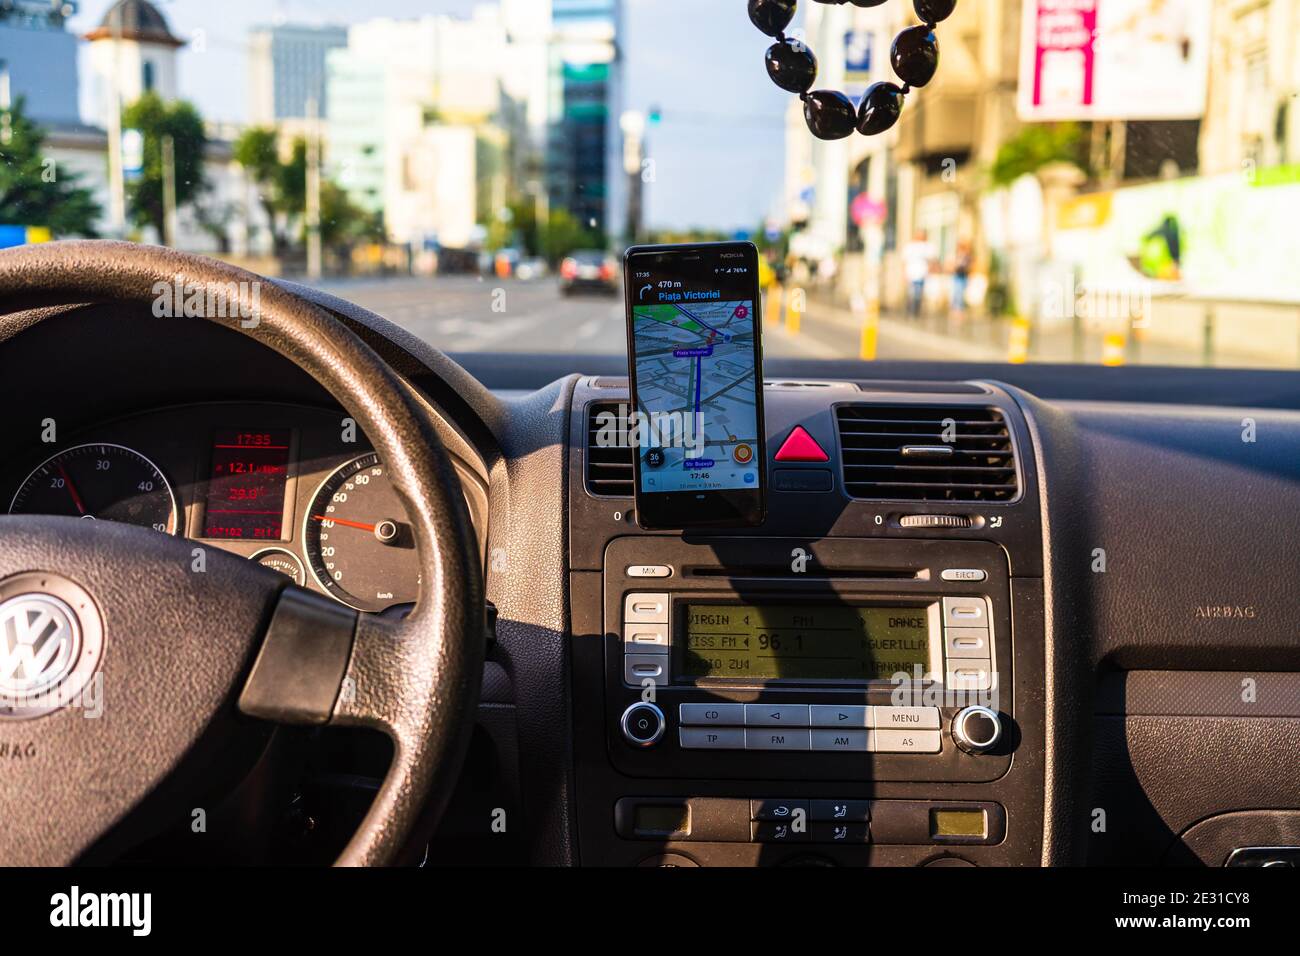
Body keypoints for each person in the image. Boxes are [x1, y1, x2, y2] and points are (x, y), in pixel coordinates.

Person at [902, 231, 934, 319]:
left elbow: (931, 261)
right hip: (911, 274)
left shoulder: (927, 246)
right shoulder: (910, 247)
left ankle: (915, 311)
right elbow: (905, 261)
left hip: (922, 274)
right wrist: (904, 273)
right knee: (911, 293)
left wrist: (929, 271)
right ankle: (910, 311)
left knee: (918, 294)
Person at [951, 240, 973, 322]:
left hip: (963, 276)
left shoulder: (967, 256)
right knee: (957, 294)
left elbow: (970, 266)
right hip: (957, 276)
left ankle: (959, 313)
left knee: (960, 295)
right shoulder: (957, 255)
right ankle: (956, 312)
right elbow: (952, 265)